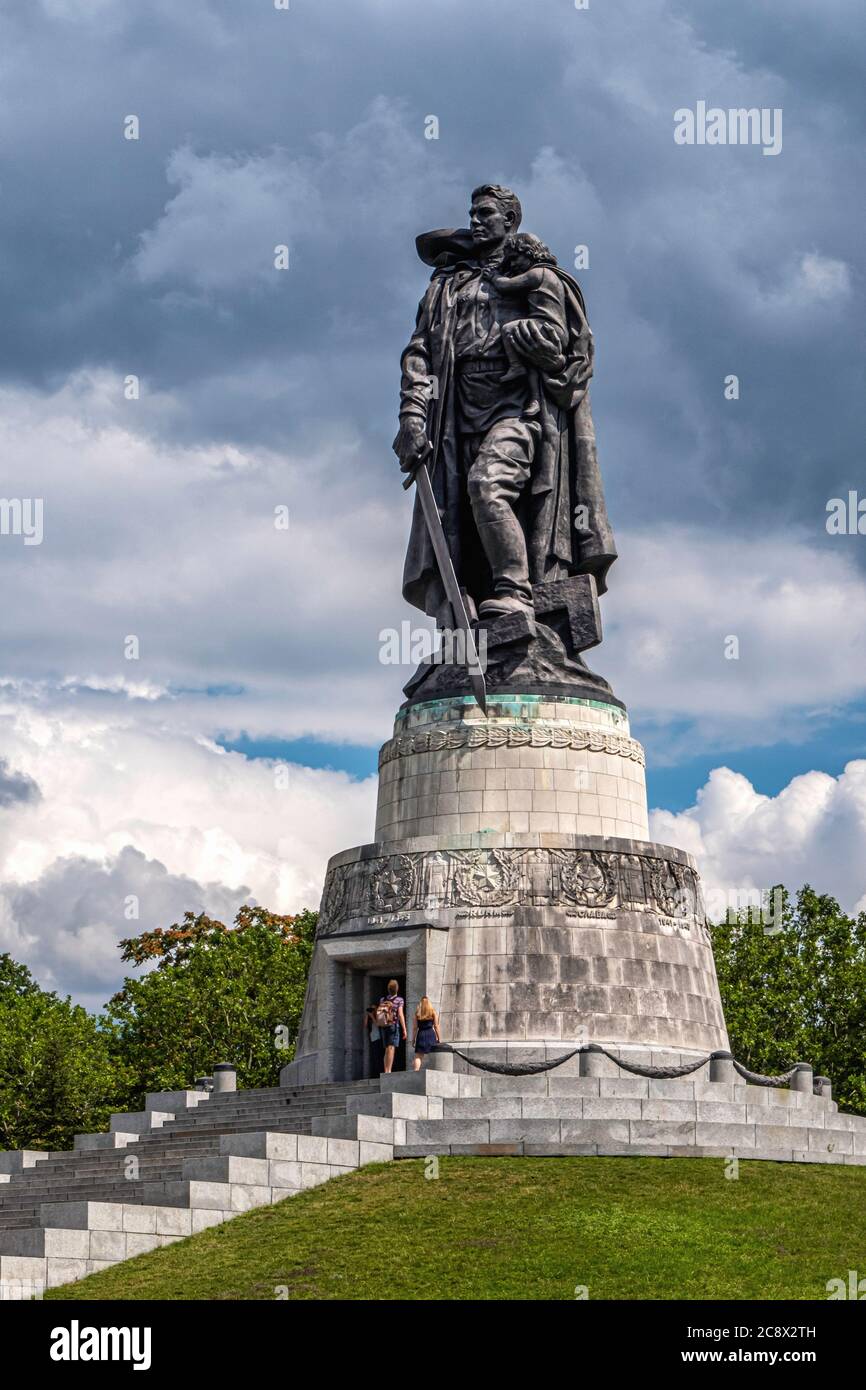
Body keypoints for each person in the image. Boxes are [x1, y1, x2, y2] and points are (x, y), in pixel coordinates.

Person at [375, 980, 406, 1074]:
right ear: (397, 989)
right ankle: (388, 1071)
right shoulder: (399, 1000)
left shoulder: (382, 999)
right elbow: (400, 1014)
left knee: (386, 1049)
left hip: (384, 1025)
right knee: (391, 1048)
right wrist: (404, 1028)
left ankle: (386, 1069)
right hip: (393, 1025)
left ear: (388, 989)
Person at [412, 996, 441, 1071]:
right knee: (434, 1053)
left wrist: (413, 1040)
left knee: (418, 1056)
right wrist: (439, 1037)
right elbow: (436, 1026)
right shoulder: (433, 1012)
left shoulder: (417, 1014)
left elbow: (415, 1028)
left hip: (421, 1034)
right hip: (430, 1034)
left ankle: (416, 1071)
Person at [364, 1003, 385, 1076]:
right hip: (373, 1039)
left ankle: (381, 1072)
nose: (372, 1010)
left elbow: (378, 1024)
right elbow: (365, 1025)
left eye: (374, 1009)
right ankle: (377, 1073)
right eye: (371, 1009)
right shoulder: (370, 1018)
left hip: (379, 1039)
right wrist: (367, 1015)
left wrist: (372, 1016)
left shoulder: (379, 1016)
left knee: (380, 1057)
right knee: (375, 1057)